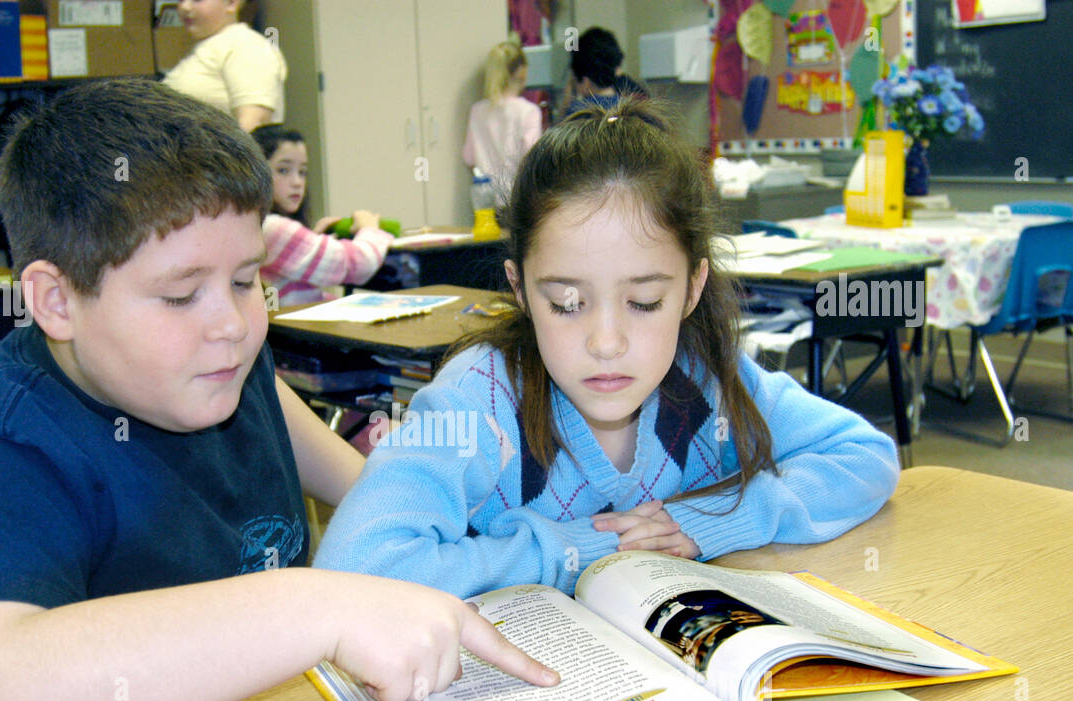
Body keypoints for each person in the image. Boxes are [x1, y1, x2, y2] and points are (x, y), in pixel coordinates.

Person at [0, 79, 557, 701]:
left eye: (245, 281)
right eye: (181, 296)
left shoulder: (231, 374)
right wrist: (314, 607)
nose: (234, 326)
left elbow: (385, 502)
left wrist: (567, 535)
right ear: (56, 301)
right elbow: (1, 691)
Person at [313, 98, 899, 599]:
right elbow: (353, 567)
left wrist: (715, 521)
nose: (607, 343)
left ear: (692, 287)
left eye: (645, 303)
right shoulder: (479, 401)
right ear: (520, 288)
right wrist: (577, 550)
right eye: (566, 303)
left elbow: (864, 456)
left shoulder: (705, 377)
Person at [252, 124, 393, 307]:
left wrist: (312, 239)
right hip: (294, 333)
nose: (297, 182)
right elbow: (354, 265)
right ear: (256, 173)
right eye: (283, 170)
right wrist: (370, 229)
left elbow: (295, 288)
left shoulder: (257, 225)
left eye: (302, 172)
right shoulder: (272, 227)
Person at [164, 0, 286, 131]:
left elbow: (255, 122)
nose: (185, 7)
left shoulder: (246, 45)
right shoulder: (210, 46)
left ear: (231, 3)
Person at [462, 41, 542, 204]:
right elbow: (532, 160)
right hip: (517, 201)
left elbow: (469, 157)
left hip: (485, 202)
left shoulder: (478, 111)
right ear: (522, 72)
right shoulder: (528, 112)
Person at [565, 26, 649, 116]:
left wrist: (566, 103)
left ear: (585, 79)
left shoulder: (578, 111)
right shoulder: (631, 108)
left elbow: (560, 128)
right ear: (616, 69)